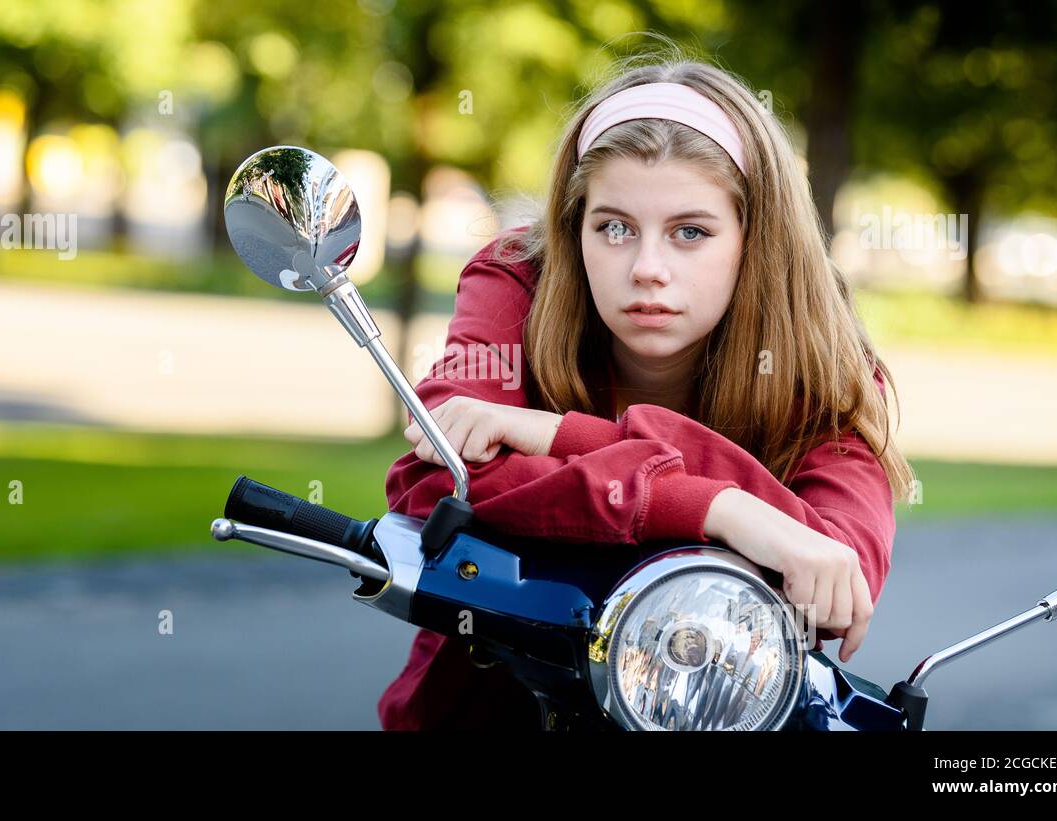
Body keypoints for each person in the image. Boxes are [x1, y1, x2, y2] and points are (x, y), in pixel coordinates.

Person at [377, 54, 916, 731]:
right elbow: (435, 479)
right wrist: (719, 507)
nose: (647, 269)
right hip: (486, 706)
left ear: (756, 241)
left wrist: (558, 435)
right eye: (614, 227)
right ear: (576, 229)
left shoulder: (821, 366)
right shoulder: (519, 279)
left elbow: (835, 572)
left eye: (691, 232)